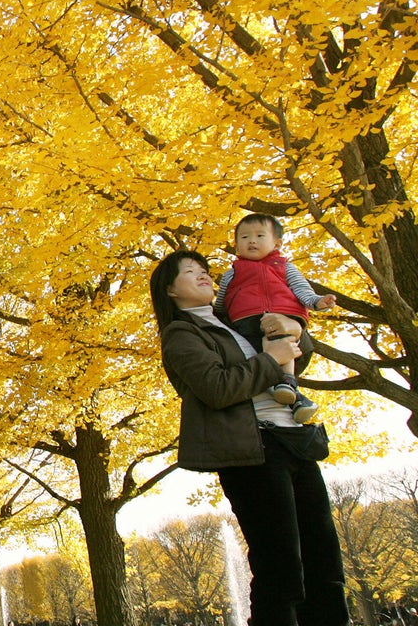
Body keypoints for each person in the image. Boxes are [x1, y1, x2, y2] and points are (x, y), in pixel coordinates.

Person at [152, 249, 349, 626]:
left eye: (205, 270)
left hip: (294, 441)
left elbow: (295, 356)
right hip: (251, 452)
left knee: (323, 560)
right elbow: (216, 388)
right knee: (281, 568)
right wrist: (270, 359)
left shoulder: (238, 321)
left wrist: (295, 331)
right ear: (171, 291)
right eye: (190, 272)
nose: (204, 275)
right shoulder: (181, 334)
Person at [214, 213, 336, 423]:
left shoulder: (284, 267)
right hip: (245, 320)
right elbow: (221, 303)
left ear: (277, 243)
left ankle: (288, 382)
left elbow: (302, 290)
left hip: (283, 314)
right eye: (244, 238)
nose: (251, 241)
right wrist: (215, 319)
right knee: (264, 357)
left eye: (260, 235)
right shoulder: (232, 273)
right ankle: (296, 399)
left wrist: (317, 302)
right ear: (236, 247)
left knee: (278, 337)